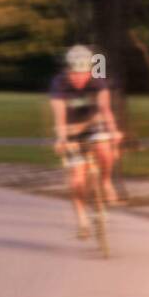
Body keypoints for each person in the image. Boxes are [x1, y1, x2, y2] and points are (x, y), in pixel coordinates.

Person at [49, 44, 122, 239]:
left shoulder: (98, 80)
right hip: (71, 129)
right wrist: (62, 138)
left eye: (84, 72)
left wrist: (114, 131)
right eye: (75, 72)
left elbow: (105, 109)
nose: (80, 77)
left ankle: (106, 182)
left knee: (105, 149)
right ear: (69, 69)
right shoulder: (60, 83)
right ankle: (82, 218)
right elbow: (59, 115)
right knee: (77, 180)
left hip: (93, 124)